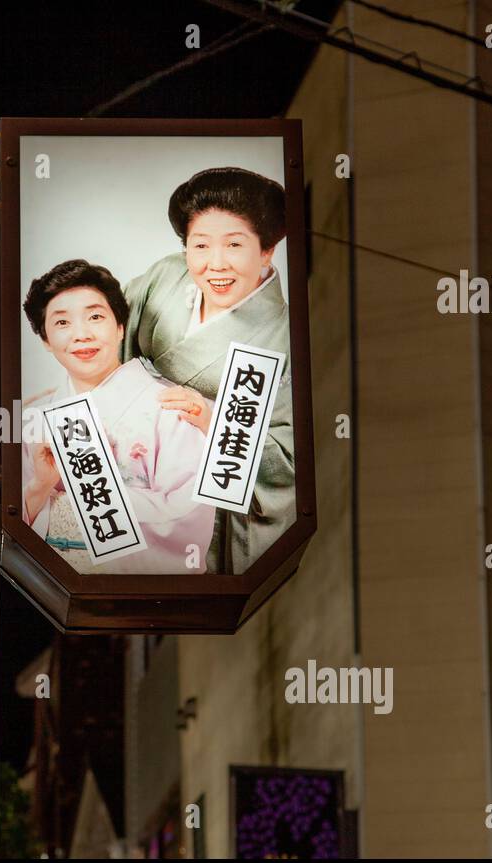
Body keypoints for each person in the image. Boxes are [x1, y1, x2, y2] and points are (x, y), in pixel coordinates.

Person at [121, 166, 296, 574]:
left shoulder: (281, 337)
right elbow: (109, 343)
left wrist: (212, 418)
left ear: (267, 249)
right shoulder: (165, 276)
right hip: (126, 466)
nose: (215, 264)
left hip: (199, 511)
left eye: (234, 245)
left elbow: (285, 465)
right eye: (200, 246)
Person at [20, 259, 214, 574]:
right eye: (62, 323)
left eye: (95, 317)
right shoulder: (34, 418)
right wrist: (41, 486)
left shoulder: (169, 405)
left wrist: (72, 506)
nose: (81, 335)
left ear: (120, 326)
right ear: (44, 339)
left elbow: (188, 514)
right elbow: (12, 529)